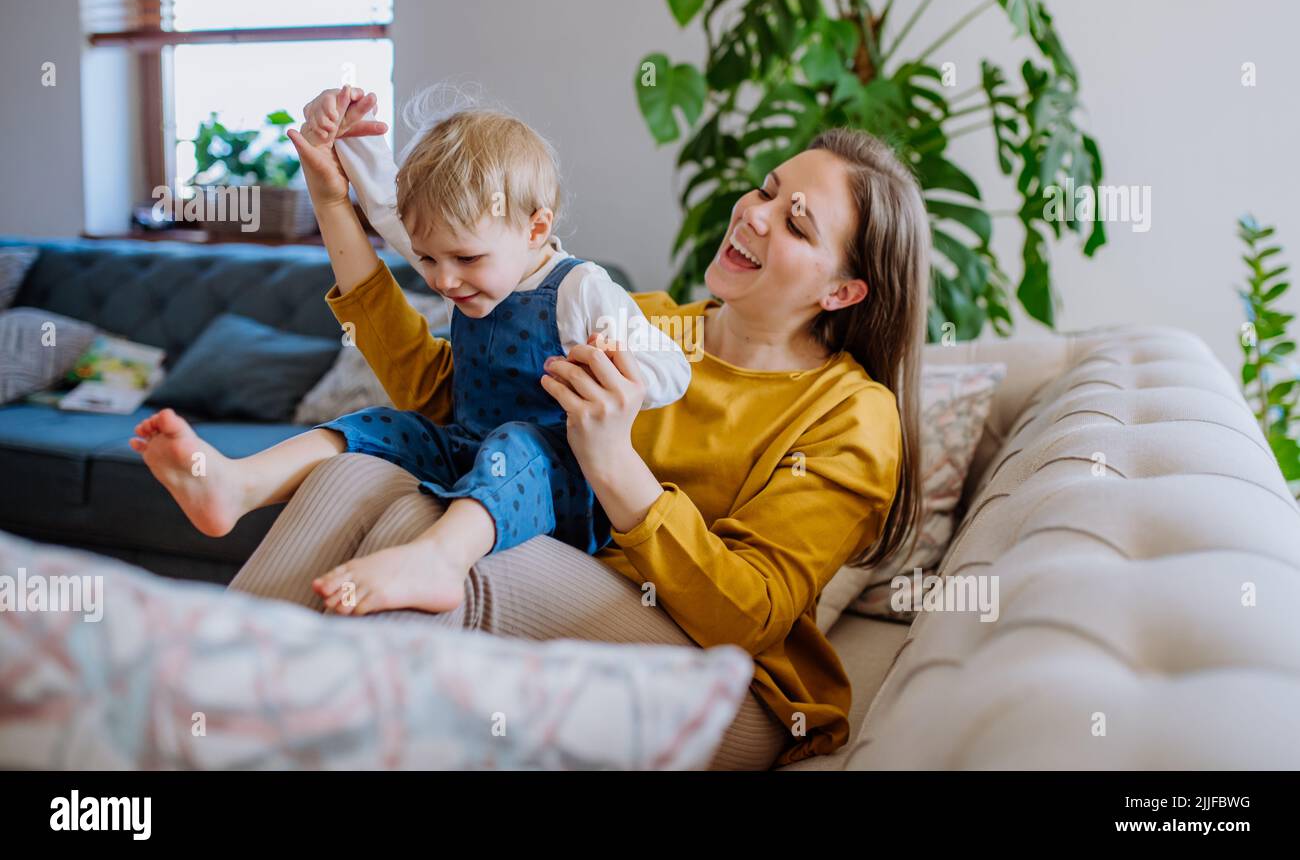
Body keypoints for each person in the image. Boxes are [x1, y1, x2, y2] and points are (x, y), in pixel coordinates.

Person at [230, 86, 931, 770]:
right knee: (356, 471)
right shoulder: (647, 321)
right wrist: (332, 201)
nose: (756, 214)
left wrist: (612, 464)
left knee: (422, 550)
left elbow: (749, 618)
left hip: (731, 682)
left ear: (840, 292)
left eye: (797, 223)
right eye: (768, 189)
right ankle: (189, 698)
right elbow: (442, 404)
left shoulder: (852, 415)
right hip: (579, 583)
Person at [132, 87, 690, 616]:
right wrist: (348, 138)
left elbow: (674, 368)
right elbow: (384, 206)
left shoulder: (580, 289)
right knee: (383, 423)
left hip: (559, 484)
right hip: (469, 448)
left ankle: (440, 559)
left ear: (536, 228)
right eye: (427, 260)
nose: (444, 280)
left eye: (466, 261)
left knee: (519, 442)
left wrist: (614, 369)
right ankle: (240, 484)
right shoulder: (457, 250)